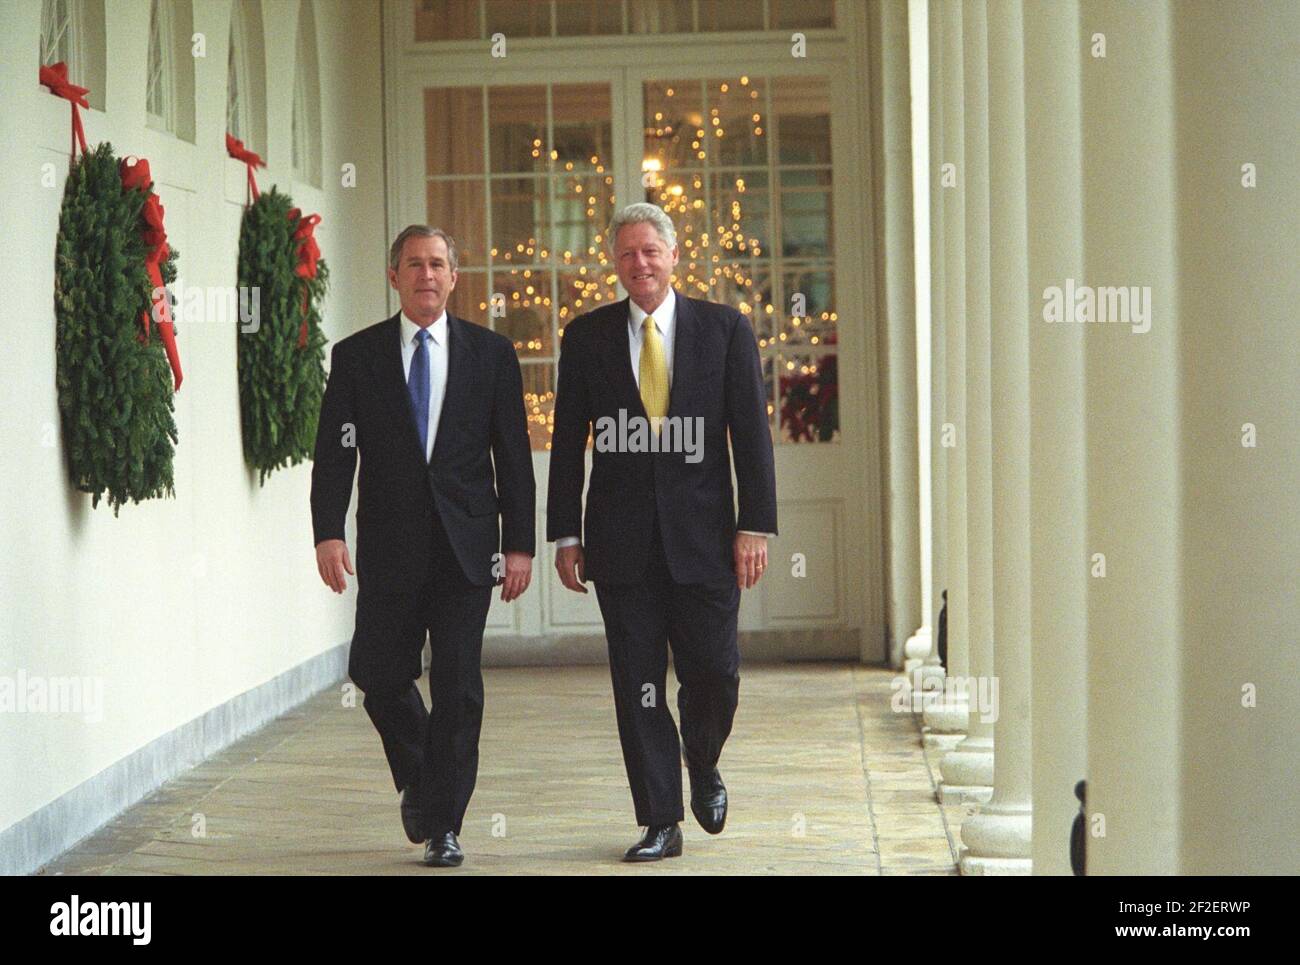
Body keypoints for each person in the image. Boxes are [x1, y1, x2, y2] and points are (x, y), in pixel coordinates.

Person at [547, 202, 777, 861]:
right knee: (638, 682)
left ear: (675, 255)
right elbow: (567, 443)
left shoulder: (725, 330)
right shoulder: (586, 337)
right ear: (615, 263)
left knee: (714, 673)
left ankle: (701, 756)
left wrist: (754, 523)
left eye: (651, 250)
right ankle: (659, 819)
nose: (639, 263)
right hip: (620, 548)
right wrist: (565, 533)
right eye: (627, 253)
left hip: (706, 541)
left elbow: (751, 436)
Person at [310, 225, 534, 867]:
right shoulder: (357, 357)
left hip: (468, 549)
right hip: (389, 546)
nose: (427, 275)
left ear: (454, 277)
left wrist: (518, 544)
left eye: (438, 264)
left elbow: (513, 458)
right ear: (395, 276)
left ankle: (445, 825)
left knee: (459, 686)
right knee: (378, 674)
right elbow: (335, 453)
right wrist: (328, 530)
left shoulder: (492, 355)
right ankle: (421, 776)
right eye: (415, 264)